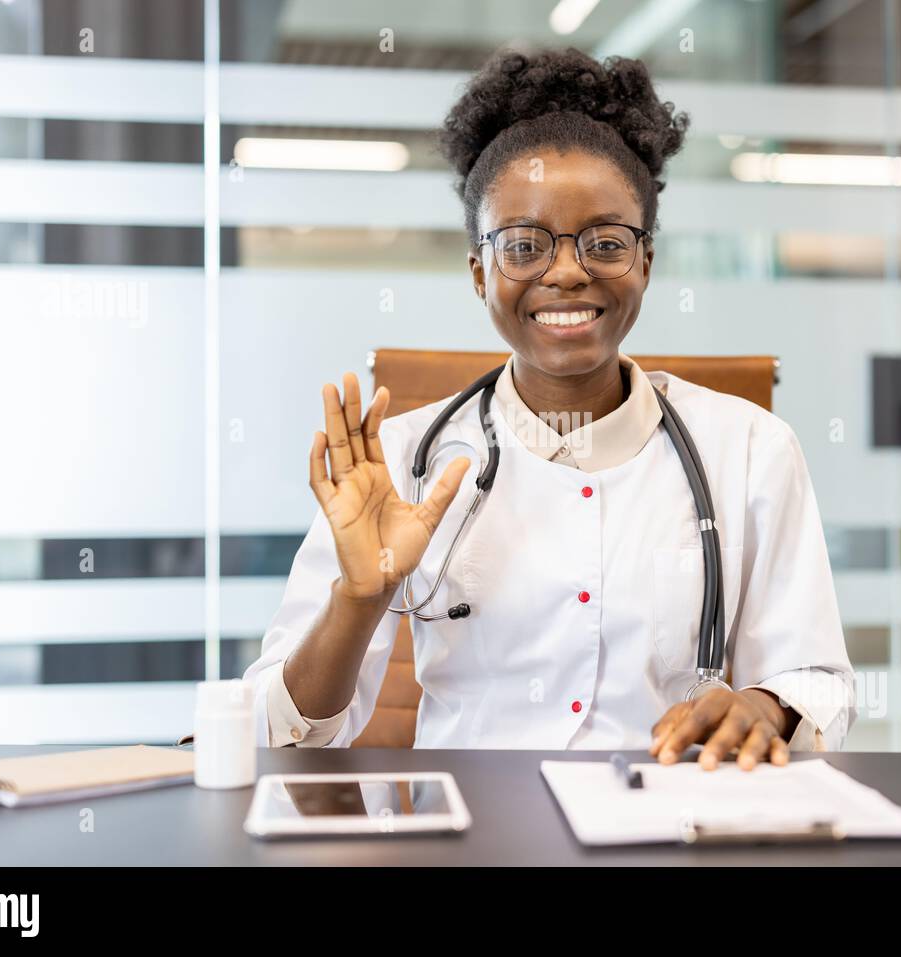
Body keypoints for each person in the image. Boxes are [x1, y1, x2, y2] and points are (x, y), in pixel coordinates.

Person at [243, 47, 855, 770]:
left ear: (647, 262)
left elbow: (817, 683)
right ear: (480, 271)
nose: (566, 272)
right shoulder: (398, 462)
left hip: (666, 827)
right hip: (474, 837)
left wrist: (765, 705)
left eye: (605, 241)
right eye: (525, 245)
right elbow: (281, 734)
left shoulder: (751, 448)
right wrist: (360, 593)